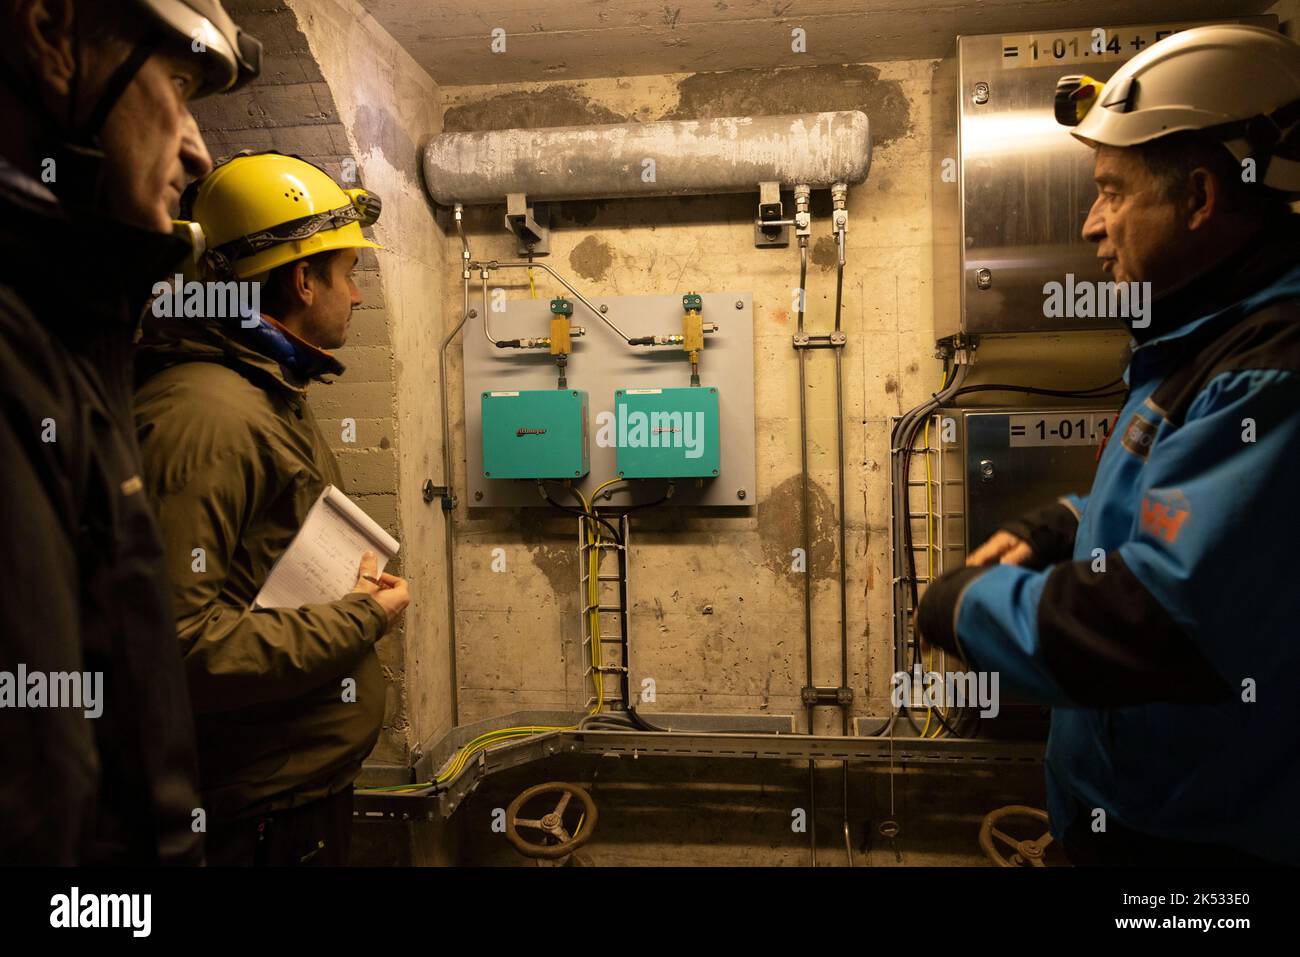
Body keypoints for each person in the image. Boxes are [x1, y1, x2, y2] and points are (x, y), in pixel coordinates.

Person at [919, 24, 1300, 866]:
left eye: (1111, 192)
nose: (1092, 227)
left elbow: (1155, 623)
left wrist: (962, 606)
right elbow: (1190, 519)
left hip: (1202, 852)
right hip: (1134, 816)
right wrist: (1067, 520)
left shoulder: (1268, 373)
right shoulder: (1207, 346)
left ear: (1199, 197)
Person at [0, 0, 259, 865]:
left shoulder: (70, 335)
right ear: (49, 32)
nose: (198, 148)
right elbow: (36, 796)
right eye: (178, 88)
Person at [135, 151, 410, 866]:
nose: (356, 296)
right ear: (302, 277)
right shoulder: (208, 414)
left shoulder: (264, 391)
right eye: (348, 273)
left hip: (293, 795)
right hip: (255, 819)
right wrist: (364, 616)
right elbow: (178, 646)